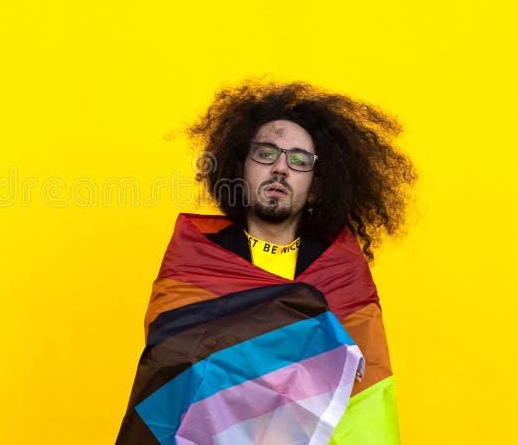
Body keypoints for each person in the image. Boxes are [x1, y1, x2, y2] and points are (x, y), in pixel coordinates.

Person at [117, 81, 416, 445]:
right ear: (240, 168)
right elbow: (170, 361)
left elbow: (366, 397)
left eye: (299, 160)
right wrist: (309, 326)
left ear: (317, 186)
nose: (280, 168)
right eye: (266, 153)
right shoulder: (197, 258)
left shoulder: (340, 272)